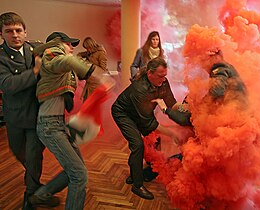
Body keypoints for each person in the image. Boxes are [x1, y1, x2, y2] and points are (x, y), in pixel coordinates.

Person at [32, 31, 100, 210]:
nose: (72, 48)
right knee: (79, 174)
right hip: (49, 125)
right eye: (69, 44)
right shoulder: (51, 53)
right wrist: (91, 72)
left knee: (77, 170)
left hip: (58, 124)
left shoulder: (58, 65)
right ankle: (41, 195)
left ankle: (41, 195)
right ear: (58, 43)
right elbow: (67, 61)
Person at [0, 12, 59, 209]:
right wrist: (34, 72)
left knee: (34, 155)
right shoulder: (1, 57)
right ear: (2, 34)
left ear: (25, 32)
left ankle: (31, 195)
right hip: (15, 116)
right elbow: (8, 84)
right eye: (9, 31)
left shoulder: (37, 49)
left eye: (18, 30)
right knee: (19, 152)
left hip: (38, 115)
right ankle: (35, 182)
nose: (15, 35)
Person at [111, 57, 179, 200]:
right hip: (123, 113)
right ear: (150, 74)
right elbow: (149, 123)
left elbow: (172, 104)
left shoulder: (163, 83)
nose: (163, 79)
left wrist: (186, 109)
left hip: (140, 114)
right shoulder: (139, 89)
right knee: (137, 144)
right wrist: (172, 133)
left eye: (165, 75)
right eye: (160, 76)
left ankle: (138, 172)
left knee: (156, 139)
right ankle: (137, 185)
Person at [77, 37, 109, 101]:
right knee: (86, 101)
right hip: (90, 80)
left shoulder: (101, 53)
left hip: (96, 82)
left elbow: (103, 69)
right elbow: (79, 54)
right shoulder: (90, 52)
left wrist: (90, 66)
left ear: (91, 45)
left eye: (88, 48)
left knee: (92, 102)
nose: (87, 50)